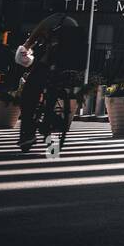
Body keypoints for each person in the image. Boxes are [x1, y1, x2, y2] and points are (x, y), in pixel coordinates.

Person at [17, 13, 84, 152]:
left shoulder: (48, 22)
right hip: (70, 67)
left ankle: (27, 134)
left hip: (49, 65)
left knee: (29, 92)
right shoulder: (74, 24)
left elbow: (29, 44)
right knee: (54, 88)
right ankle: (49, 120)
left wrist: (27, 49)